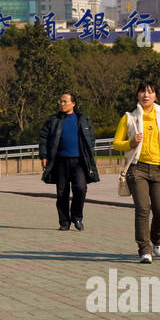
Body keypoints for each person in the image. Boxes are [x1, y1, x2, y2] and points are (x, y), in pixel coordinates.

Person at [113, 79, 160, 264]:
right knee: (142, 209)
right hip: (138, 169)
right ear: (138, 95)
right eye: (143, 91)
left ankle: (157, 240)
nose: (146, 95)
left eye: (150, 92)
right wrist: (131, 143)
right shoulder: (129, 117)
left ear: (155, 96)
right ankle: (144, 249)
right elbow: (116, 143)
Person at [39, 91, 100, 231]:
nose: (62, 103)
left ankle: (77, 217)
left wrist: (87, 151)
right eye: (60, 101)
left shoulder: (83, 119)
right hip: (60, 161)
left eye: (65, 101)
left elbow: (91, 138)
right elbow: (43, 139)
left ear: (73, 103)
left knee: (80, 188)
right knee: (62, 193)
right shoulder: (53, 120)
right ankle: (64, 222)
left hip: (79, 161)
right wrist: (44, 156)